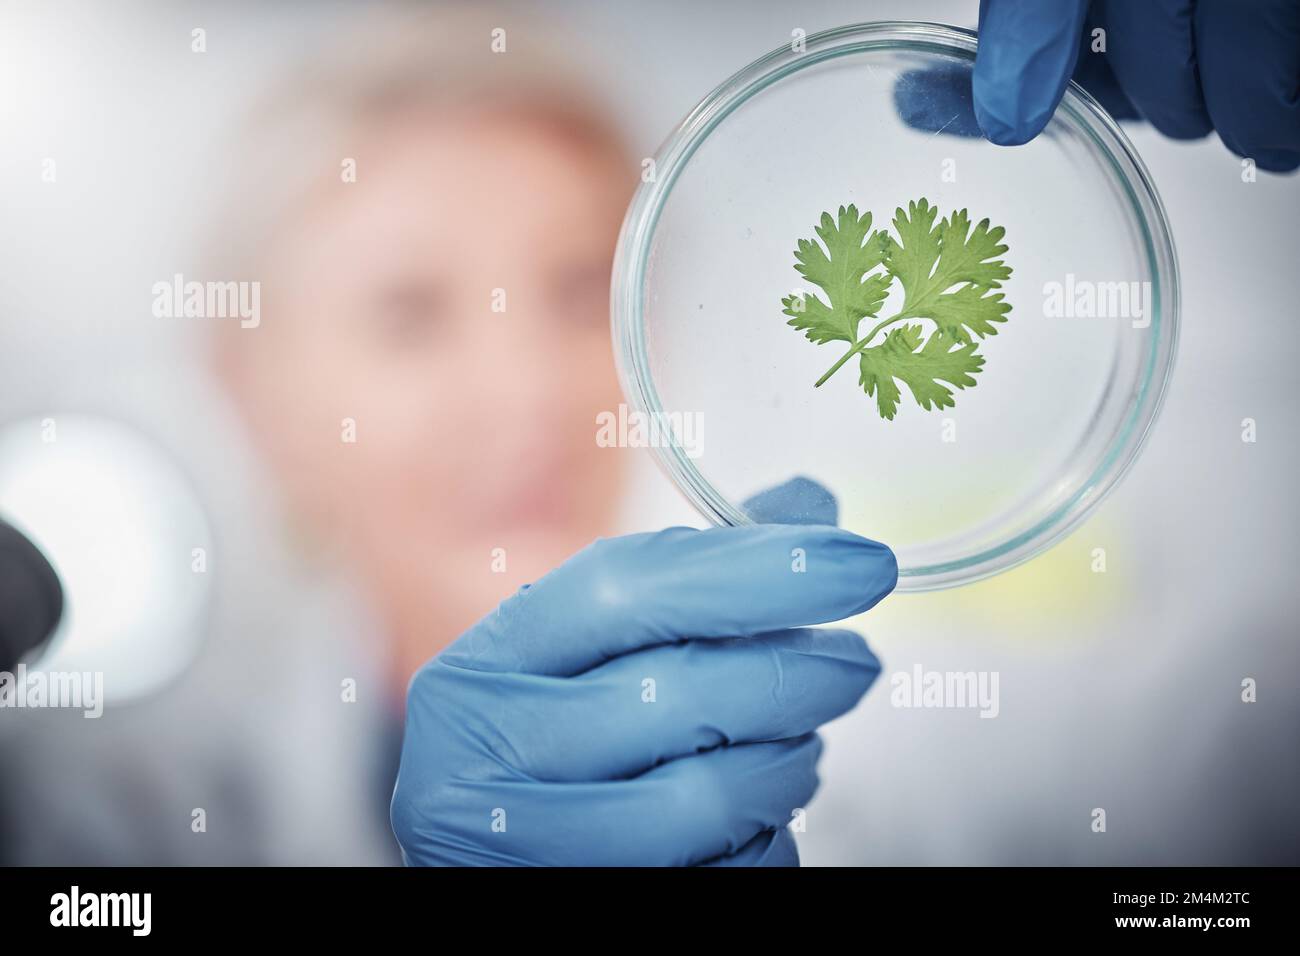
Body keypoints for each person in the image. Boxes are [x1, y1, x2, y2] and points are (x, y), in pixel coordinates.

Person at [389, 0, 1300, 866]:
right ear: (245, 370)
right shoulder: (243, 792)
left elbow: (1232, 776)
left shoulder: (943, 722)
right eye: (409, 313)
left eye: (581, 290)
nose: (522, 392)